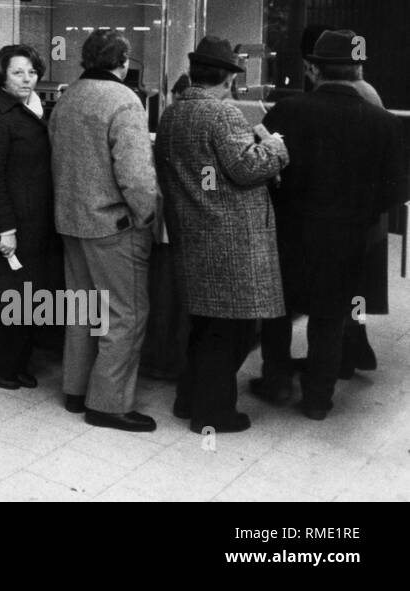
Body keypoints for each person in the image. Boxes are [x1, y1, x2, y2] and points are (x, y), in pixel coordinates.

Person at [257, 29, 408, 420]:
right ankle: (318, 400)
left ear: (315, 69)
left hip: (290, 233)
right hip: (349, 236)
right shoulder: (383, 123)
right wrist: (361, 211)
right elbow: (397, 190)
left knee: (278, 311)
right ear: (356, 69)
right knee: (329, 317)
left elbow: (261, 170)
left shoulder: (287, 112)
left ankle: (275, 381)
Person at [155, 36, 290, 433]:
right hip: (230, 240)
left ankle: (188, 398)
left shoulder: (172, 113)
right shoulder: (223, 115)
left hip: (193, 232)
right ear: (229, 79)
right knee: (229, 333)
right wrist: (276, 148)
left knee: (205, 327)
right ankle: (213, 414)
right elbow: (245, 169)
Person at [48, 28, 158, 431]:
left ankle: (76, 391)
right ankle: (109, 404)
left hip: (71, 222)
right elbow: (136, 177)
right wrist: (146, 216)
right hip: (112, 225)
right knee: (123, 316)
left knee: (80, 310)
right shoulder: (124, 101)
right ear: (123, 62)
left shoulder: (67, 97)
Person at [0, 43, 60, 390]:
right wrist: (6, 228)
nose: (27, 79)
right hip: (12, 223)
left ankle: (15, 361)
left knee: (29, 296)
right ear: (2, 76)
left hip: (36, 222)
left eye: (31, 72)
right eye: (17, 73)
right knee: (11, 298)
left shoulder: (35, 108)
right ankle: (1, 365)